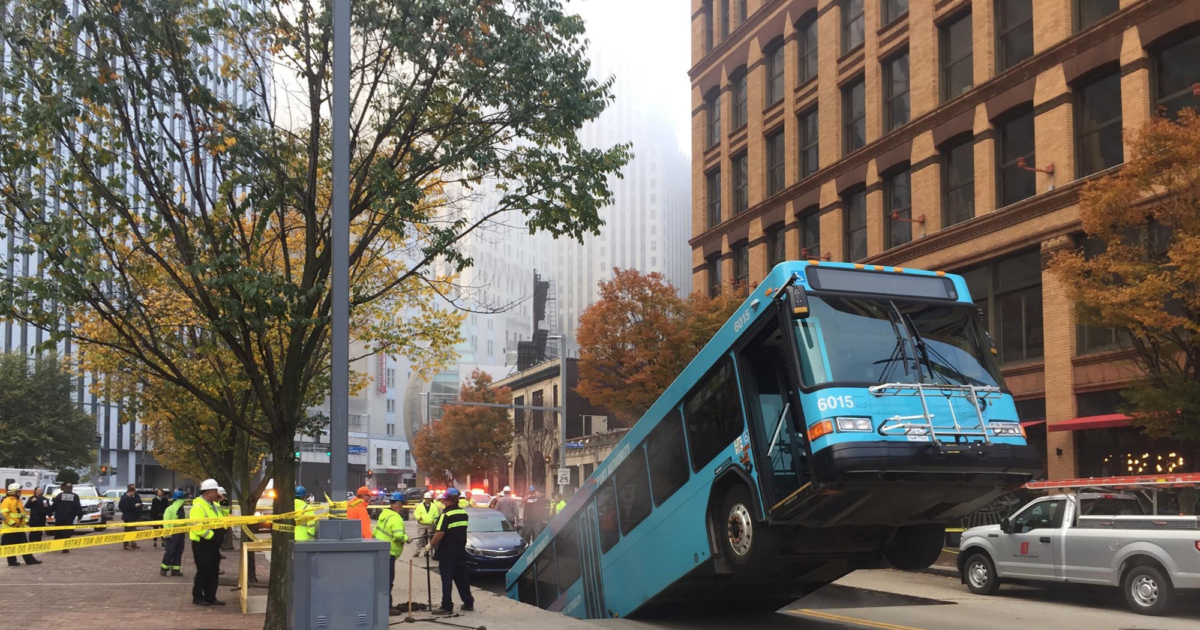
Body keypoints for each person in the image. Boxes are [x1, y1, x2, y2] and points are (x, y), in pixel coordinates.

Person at [429, 488, 473, 614]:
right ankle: (468, 602)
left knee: (447, 579)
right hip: (460, 552)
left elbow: (440, 533)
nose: (443, 502)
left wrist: (430, 545)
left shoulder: (445, 515)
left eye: (445, 500)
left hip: (447, 553)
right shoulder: (463, 514)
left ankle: (446, 605)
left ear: (449, 500)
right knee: (462, 578)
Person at [190, 479, 225, 606]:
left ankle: (211, 596)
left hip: (213, 545)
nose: (218, 494)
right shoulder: (198, 507)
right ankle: (198, 596)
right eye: (216, 491)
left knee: (213, 571)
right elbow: (197, 526)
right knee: (203, 571)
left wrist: (223, 502)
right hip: (202, 544)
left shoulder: (214, 505)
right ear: (209, 492)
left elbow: (224, 516)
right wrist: (212, 536)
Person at [373, 492, 410, 611]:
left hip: (379, 550)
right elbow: (398, 536)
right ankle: (387, 607)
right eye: (401, 505)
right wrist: (407, 538)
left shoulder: (384, 515)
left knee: (380, 580)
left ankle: (379, 605)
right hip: (389, 553)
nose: (402, 507)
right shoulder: (395, 518)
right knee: (388, 581)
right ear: (397, 504)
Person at [2, 483, 41, 566]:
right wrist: (12, 523)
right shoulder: (7, 501)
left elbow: (22, 513)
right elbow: (2, 515)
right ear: (14, 492)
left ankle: (30, 560)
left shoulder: (19, 501)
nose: (21, 492)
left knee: (24, 545)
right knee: (10, 547)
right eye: (19, 491)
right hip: (10, 529)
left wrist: (26, 521)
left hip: (19, 528)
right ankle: (12, 562)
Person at [160, 490, 187, 577]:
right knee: (170, 551)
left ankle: (176, 569)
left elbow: (187, 521)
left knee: (179, 551)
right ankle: (164, 569)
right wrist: (168, 533)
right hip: (173, 532)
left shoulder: (183, 509)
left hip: (181, 532)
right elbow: (166, 522)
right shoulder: (170, 509)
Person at [50, 482, 82, 553]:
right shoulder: (75, 496)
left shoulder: (60, 495)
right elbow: (78, 507)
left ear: (65, 488)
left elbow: (54, 505)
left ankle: (55, 546)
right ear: (71, 489)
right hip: (69, 518)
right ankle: (65, 547)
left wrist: (49, 513)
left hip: (59, 517)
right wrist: (80, 516)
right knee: (67, 532)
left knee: (58, 532)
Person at [413, 491, 440, 557]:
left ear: (430, 499)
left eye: (428, 499)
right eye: (426, 499)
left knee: (429, 539)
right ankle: (417, 551)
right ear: (424, 499)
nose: (427, 500)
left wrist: (433, 520)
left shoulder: (434, 506)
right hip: (422, 524)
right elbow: (416, 513)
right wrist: (419, 517)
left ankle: (427, 552)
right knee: (420, 538)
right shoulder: (420, 506)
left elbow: (436, 515)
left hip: (430, 525)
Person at [119, 484, 144, 550]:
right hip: (128, 517)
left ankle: (133, 544)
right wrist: (135, 506)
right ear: (129, 491)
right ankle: (126, 545)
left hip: (132, 517)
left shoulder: (130, 498)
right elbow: (126, 507)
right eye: (133, 493)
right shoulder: (125, 498)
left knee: (132, 530)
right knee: (127, 531)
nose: (133, 494)